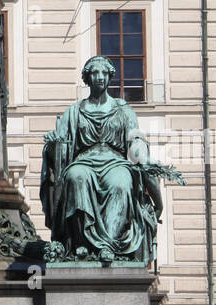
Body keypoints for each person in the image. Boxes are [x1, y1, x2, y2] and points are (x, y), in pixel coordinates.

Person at [40, 55, 182, 264]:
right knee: (75, 177)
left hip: (115, 162)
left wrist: (141, 155)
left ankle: (108, 245)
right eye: (94, 73)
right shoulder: (73, 112)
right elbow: (60, 150)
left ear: (109, 77)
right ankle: (81, 243)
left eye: (104, 73)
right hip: (84, 161)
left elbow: (135, 140)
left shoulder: (124, 110)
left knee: (121, 183)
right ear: (87, 79)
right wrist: (52, 145)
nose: (99, 77)